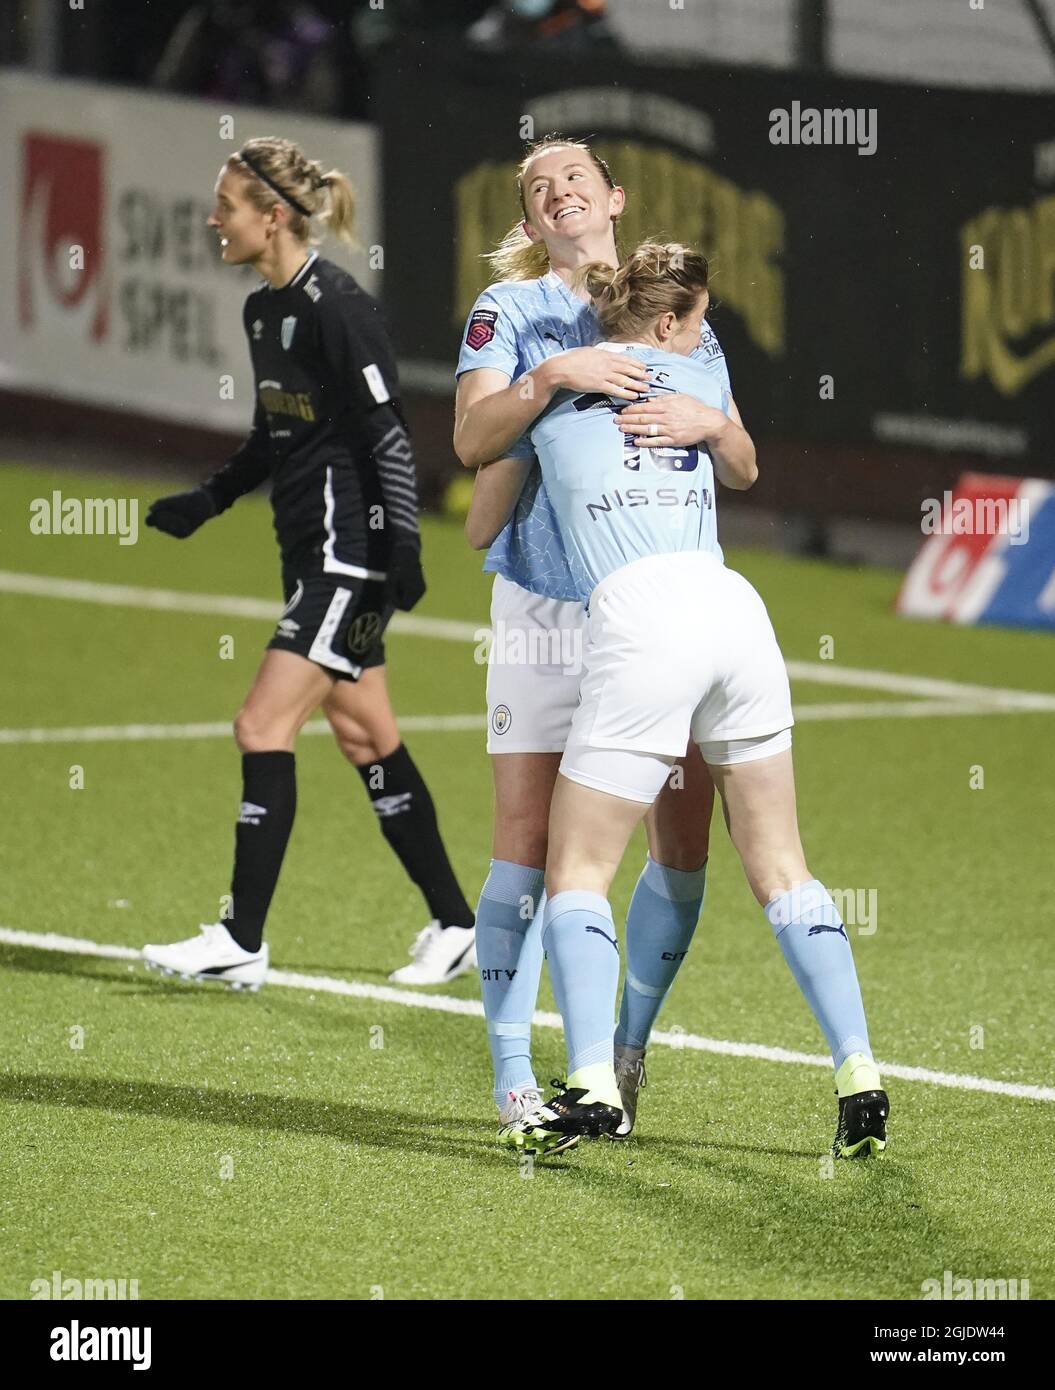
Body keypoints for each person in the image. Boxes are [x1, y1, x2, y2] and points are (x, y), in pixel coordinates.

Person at [470, 243, 888, 1160]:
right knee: (781, 865)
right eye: (700, 318)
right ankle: (858, 1069)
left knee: (577, 870)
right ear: (666, 324)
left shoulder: (554, 393)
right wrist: (707, 424)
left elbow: (476, 512)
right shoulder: (695, 379)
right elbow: (740, 463)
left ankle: (586, 1085)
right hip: (734, 611)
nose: (705, 335)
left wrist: (539, 411)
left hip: (641, 617)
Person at [454, 136, 759, 1144]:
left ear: (612, 196)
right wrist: (551, 381)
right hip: (549, 613)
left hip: (662, 606)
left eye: (573, 176)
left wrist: (704, 427)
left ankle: (621, 1051)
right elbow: (469, 449)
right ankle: (513, 1084)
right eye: (536, 186)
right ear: (532, 220)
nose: (556, 191)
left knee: (680, 844)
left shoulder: (681, 319)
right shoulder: (509, 314)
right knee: (530, 849)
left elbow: (741, 457)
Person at [142, 136, 476, 991]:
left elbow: (386, 433)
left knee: (261, 725)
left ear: (275, 216)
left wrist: (402, 544)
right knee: (366, 736)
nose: (214, 219)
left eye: (228, 205)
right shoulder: (265, 309)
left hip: (348, 557)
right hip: (313, 555)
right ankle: (456, 925)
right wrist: (210, 499)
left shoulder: (338, 307)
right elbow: (275, 434)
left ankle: (240, 939)